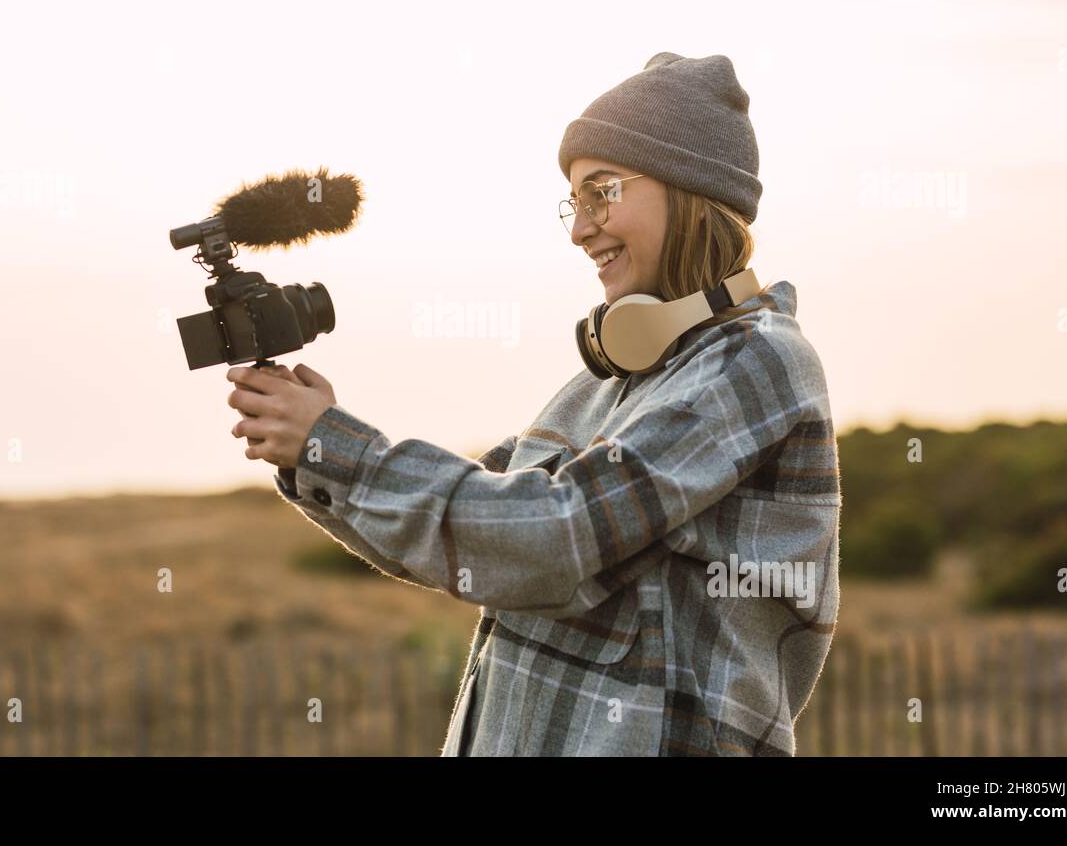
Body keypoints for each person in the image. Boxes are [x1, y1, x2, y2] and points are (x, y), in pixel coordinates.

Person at [226, 52, 841, 756]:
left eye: (602, 192)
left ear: (691, 191)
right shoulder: (608, 377)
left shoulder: (755, 362)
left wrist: (337, 447)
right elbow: (476, 535)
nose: (580, 229)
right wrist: (312, 455)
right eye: (573, 204)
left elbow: (554, 538)